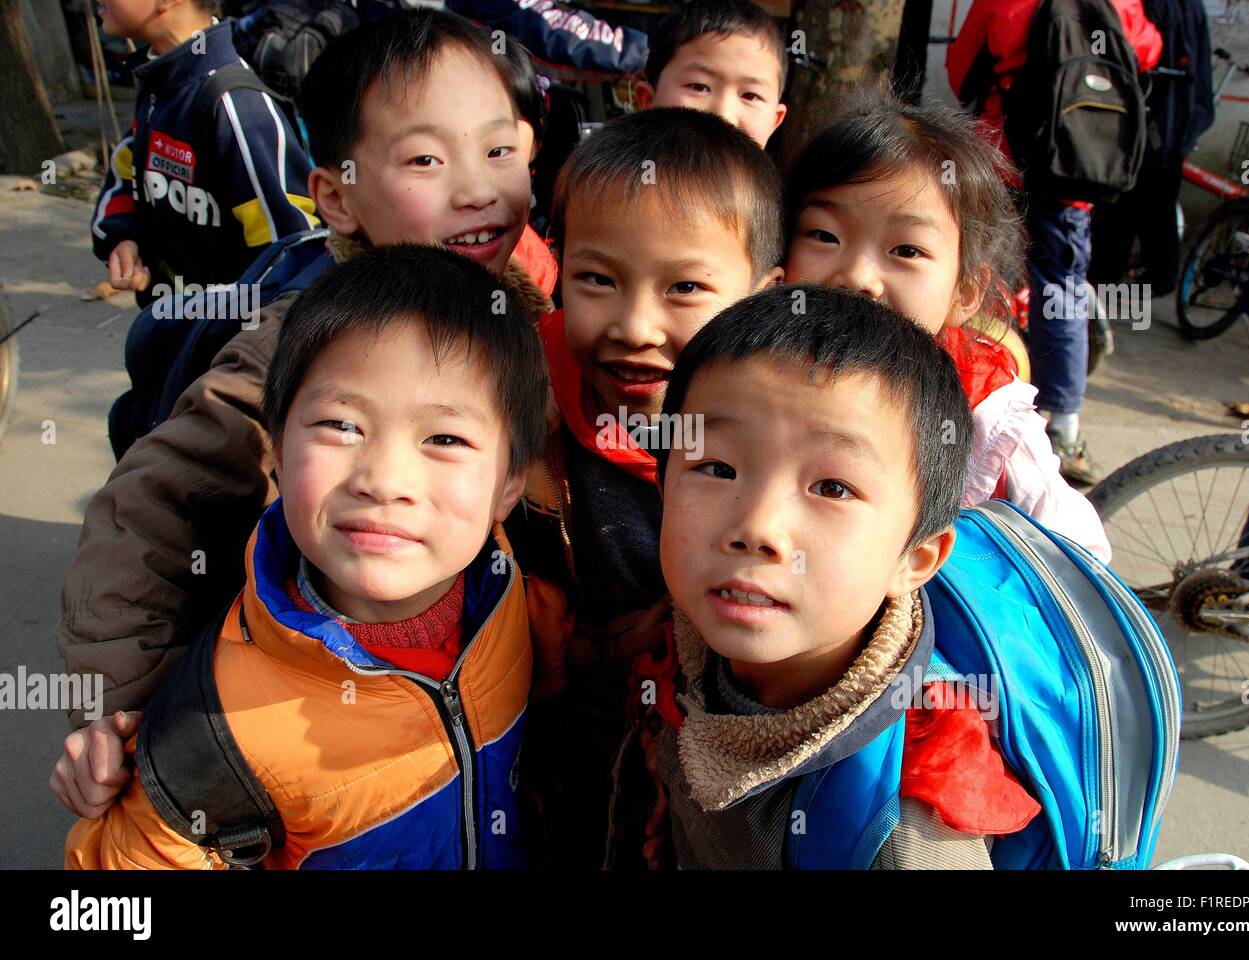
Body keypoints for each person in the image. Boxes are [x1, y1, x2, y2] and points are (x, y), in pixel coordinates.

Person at [51, 11, 556, 819]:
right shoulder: (304, 343)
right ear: (337, 196)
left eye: (500, 150)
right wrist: (118, 703)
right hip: (317, 730)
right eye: (426, 158)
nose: (477, 189)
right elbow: (150, 506)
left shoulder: (535, 290)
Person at [66, 244, 549, 869]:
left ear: (511, 486)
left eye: (446, 437)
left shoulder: (520, 600)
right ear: (279, 444)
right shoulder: (210, 732)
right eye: (342, 426)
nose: (383, 478)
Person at [642, 285, 1041, 869]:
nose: (758, 528)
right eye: (718, 468)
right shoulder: (681, 643)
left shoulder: (909, 834)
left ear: (915, 560)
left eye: (833, 488)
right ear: (663, 487)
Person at [507, 106, 785, 866]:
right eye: (597, 279)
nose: (634, 325)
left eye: (685, 288)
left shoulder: (782, 442)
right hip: (549, 754)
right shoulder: (523, 400)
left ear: (763, 294)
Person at [783, 96, 1111, 561]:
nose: (857, 276)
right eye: (824, 236)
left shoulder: (986, 420)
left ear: (966, 292)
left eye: (906, 251)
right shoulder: (747, 372)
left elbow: (1081, 558)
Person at [947, 0, 1163, 485]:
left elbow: (962, 67)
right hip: (1072, 172)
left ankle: (972, 405)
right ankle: (1064, 429)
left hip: (1003, 159)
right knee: (1062, 291)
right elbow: (1147, 50)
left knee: (980, 279)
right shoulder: (1121, 4)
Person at [91, 0, 318, 299]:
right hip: (177, 319)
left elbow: (292, 247)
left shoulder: (237, 106)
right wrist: (124, 236)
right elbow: (127, 172)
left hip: (236, 335)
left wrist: (250, 331)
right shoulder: (162, 82)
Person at [1090, 0, 1215, 295]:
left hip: (1145, 120)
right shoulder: (1191, 7)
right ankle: (1157, 276)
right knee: (1155, 204)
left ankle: (1111, 274)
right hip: (1173, 121)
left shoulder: (1146, 6)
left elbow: (1136, 54)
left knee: (1123, 203)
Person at [633, 0, 788, 148]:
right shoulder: (623, 174)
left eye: (750, 96)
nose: (723, 115)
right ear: (648, 100)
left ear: (775, 121)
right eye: (699, 87)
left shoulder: (770, 176)